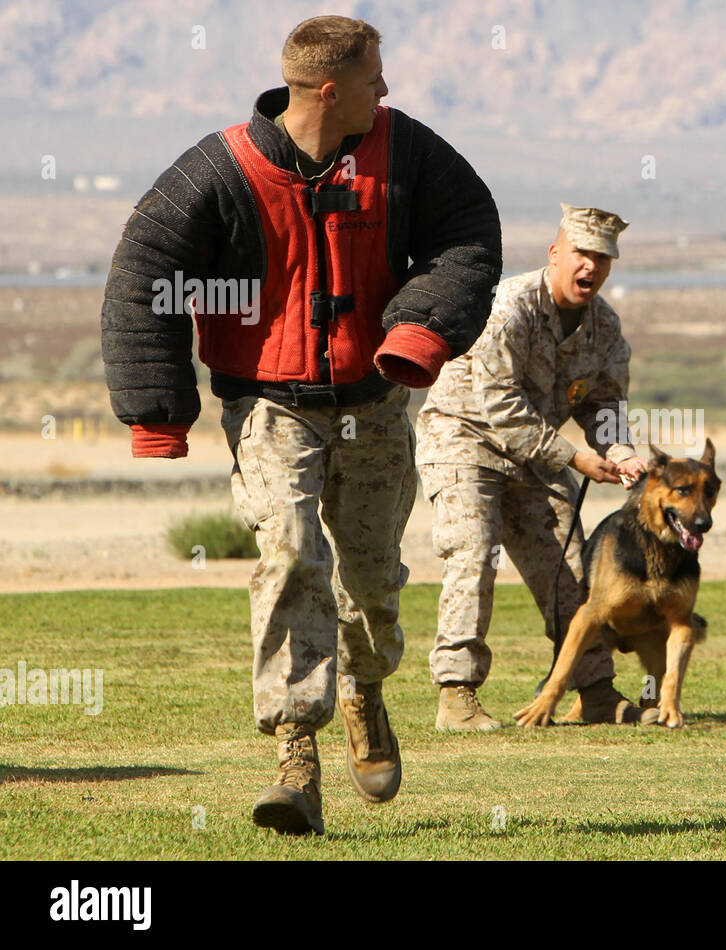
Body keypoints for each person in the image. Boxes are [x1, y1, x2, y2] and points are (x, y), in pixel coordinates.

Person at [100, 15, 501, 835]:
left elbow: (467, 237)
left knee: (370, 582)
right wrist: (158, 414)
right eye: (373, 78)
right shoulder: (218, 170)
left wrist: (419, 330)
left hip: (377, 401)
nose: (384, 91)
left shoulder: (410, 154)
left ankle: (364, 687)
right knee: (289, 554)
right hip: (267, 404)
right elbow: (144, 273)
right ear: (329, 89)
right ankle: (295, 751)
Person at [416, 204, 647, 730]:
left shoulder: (604, 326)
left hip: (536, 453)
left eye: (602, 258)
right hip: (464, 437)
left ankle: (596, 691)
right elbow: (501, 406)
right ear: (556, 254)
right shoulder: (512, 305)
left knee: (572, 570)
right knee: (473, 552)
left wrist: (618, 451)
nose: (590, 267)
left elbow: (604, 405)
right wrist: (575, 458)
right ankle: (457, 694)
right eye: (581, 254)